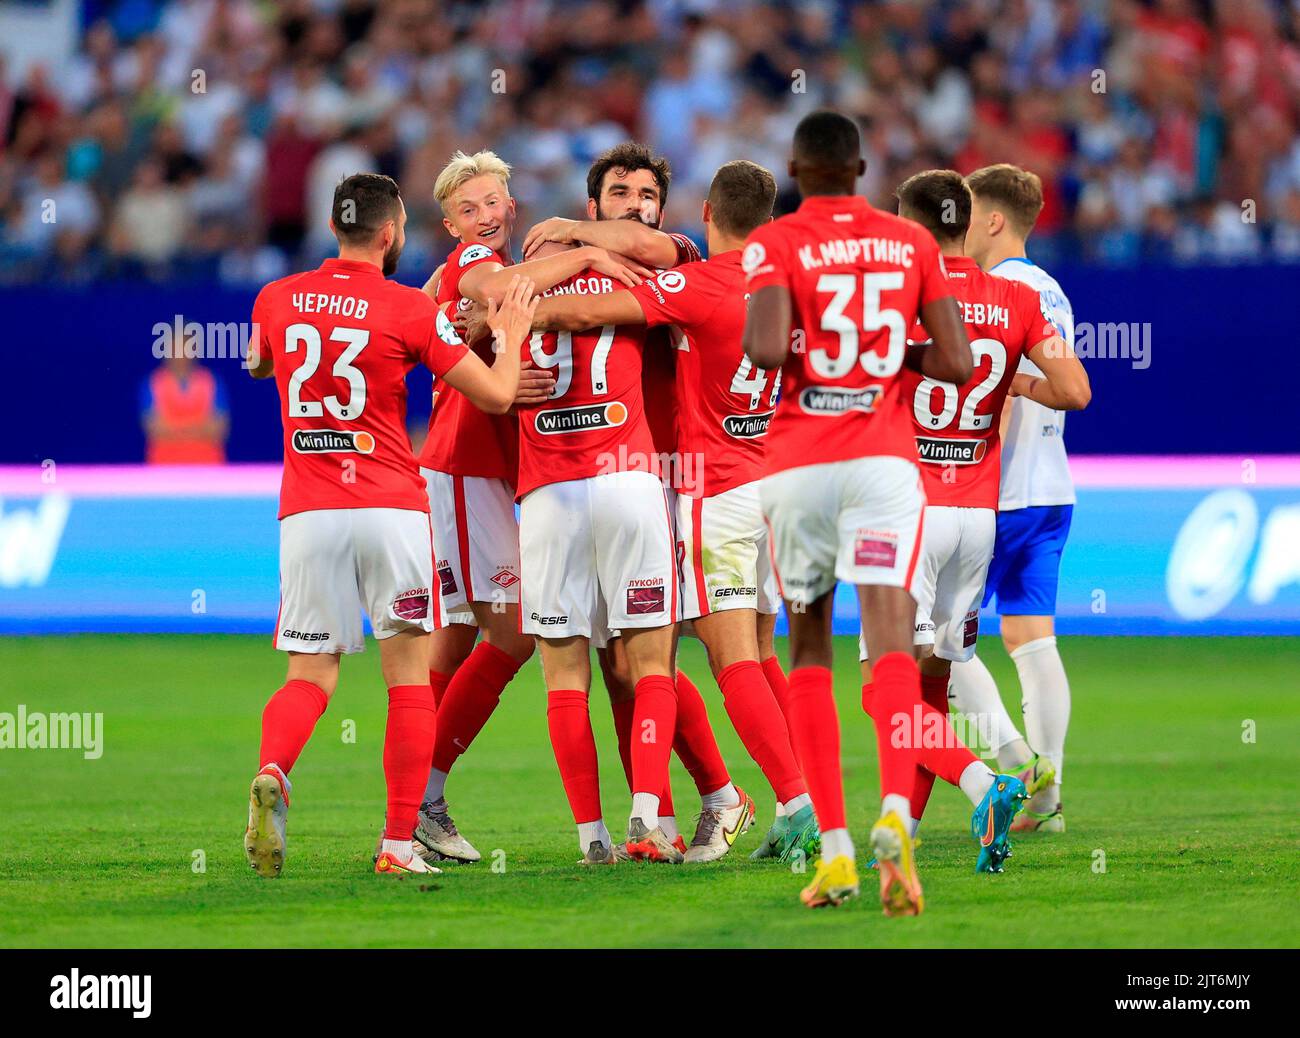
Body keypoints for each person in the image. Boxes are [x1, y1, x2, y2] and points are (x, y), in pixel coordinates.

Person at [242, 171, 535, 879]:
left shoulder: (276, 298)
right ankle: (399, 847)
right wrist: (515, 332)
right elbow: (496, 393)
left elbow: (258, 362)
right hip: (390, 506)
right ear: (389, 233)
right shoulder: (407, 307)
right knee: (407, 677)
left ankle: (275, 772)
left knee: (310, 671)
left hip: (309, 509)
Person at [528, 159, 819, 865]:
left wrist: (499, 305)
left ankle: (788, 803)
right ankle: (789, 793)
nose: (636, 209)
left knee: (725, 659)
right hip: (777, 488)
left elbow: (590, 310)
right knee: (745, 650)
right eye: (621, 195)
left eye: (648, 196)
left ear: (706, 216)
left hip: (704, 487)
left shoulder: (691, 278)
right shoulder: (795, 289)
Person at [741, 111, 972, 914]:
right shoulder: (910, 244)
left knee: (808, 643)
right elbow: (957, 360)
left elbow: (766, 351)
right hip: (883, 463)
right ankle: (897, 815)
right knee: (891, 645)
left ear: (798, 170)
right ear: (864, 168)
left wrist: (811, 346)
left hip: (800, 463)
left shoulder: (775, 241)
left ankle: (834, 851)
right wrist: (889, 354)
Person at [409, 149, 641, 863]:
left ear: (511, 206)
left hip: (481, 471)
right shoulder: (483, 264)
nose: (484, 216)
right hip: (464, 466)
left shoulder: (463, 275)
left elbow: (429, 319)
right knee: (512, 636)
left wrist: (489, 362)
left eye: (492, 202)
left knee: (452, 644)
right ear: (453, 225)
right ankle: (425, 798)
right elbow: (505, 286)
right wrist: (581, 255)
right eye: (468, 208)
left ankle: (409, 798)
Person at [860, 168, 1088, 871]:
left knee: (882, 688)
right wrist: (1015, 382)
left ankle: (988, 780)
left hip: (912, 513)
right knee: (933, 680)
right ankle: (901, 826)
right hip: (975, 519)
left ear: (916, 228)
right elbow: (1076, 390)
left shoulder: (901, 298)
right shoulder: (1016, 299)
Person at [949, 164, 1082, 833]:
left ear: (994, 219)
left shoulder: (992, 289)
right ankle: (1047, 799)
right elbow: (1061, 381)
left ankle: (1017, 763)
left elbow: (991, 393)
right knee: (1031, 639)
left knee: (941, 649)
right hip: (1051, 488)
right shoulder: (1050, 290)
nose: (958, 224)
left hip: (994, 492)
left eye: (966, 211)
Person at [140, 354, 229, 464]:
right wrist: (200, 427)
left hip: (208, 466)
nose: (180, 356)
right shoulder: (152, 383)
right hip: (163, 466)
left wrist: (173, 427)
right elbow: (155, 430)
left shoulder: (212, 382)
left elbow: (218, 430)